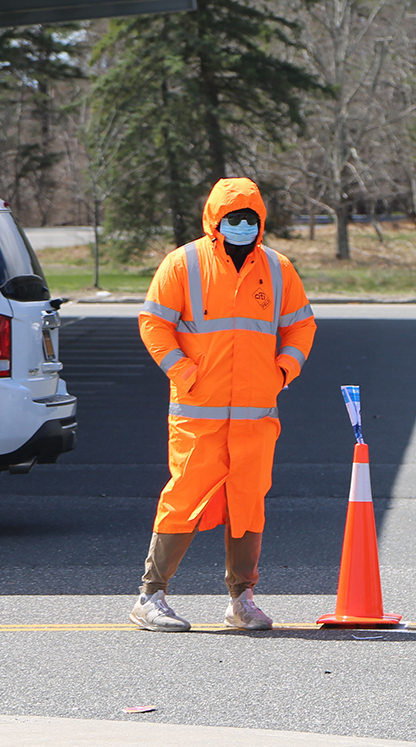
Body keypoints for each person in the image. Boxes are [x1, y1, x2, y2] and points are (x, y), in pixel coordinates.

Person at [129, 177, 316, 632]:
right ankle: (150, 597)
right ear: (215, 219)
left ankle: (242, 600)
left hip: (255, 414)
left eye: (250, 219)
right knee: (184, 498)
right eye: (234, 218)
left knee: (248, 502)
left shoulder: (277, 268)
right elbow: (154, 323)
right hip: (199, 413)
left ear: (261, 221)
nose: (242, 226)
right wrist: (184, 373)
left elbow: (301, 326)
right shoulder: (184, 263)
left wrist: (282, 372)